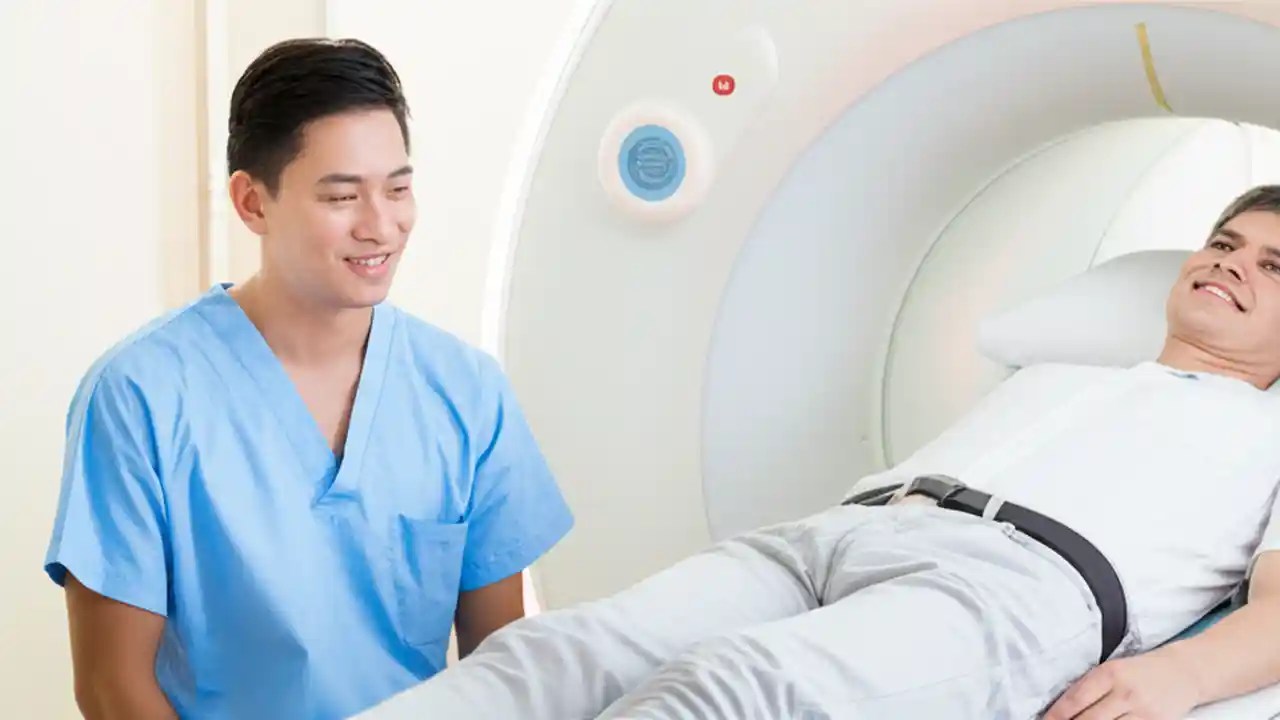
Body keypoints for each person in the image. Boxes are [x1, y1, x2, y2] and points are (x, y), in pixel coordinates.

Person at [355, 185, 1280, 720]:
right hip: (837, 532)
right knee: (564, 650)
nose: (1231, 262)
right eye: (1224, 242)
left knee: (729, 692)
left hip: (1012, 590)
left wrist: (1177, 677)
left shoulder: (1265, 433)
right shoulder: (1062, 372)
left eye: (1273, 266)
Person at [43, 38, 574, 720]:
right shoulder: (139, 396)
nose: (380, 226)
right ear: (252, 203)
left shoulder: (467, 393)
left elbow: (498, 667)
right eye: (342, 196)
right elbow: (112, 687)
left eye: (398, 189)